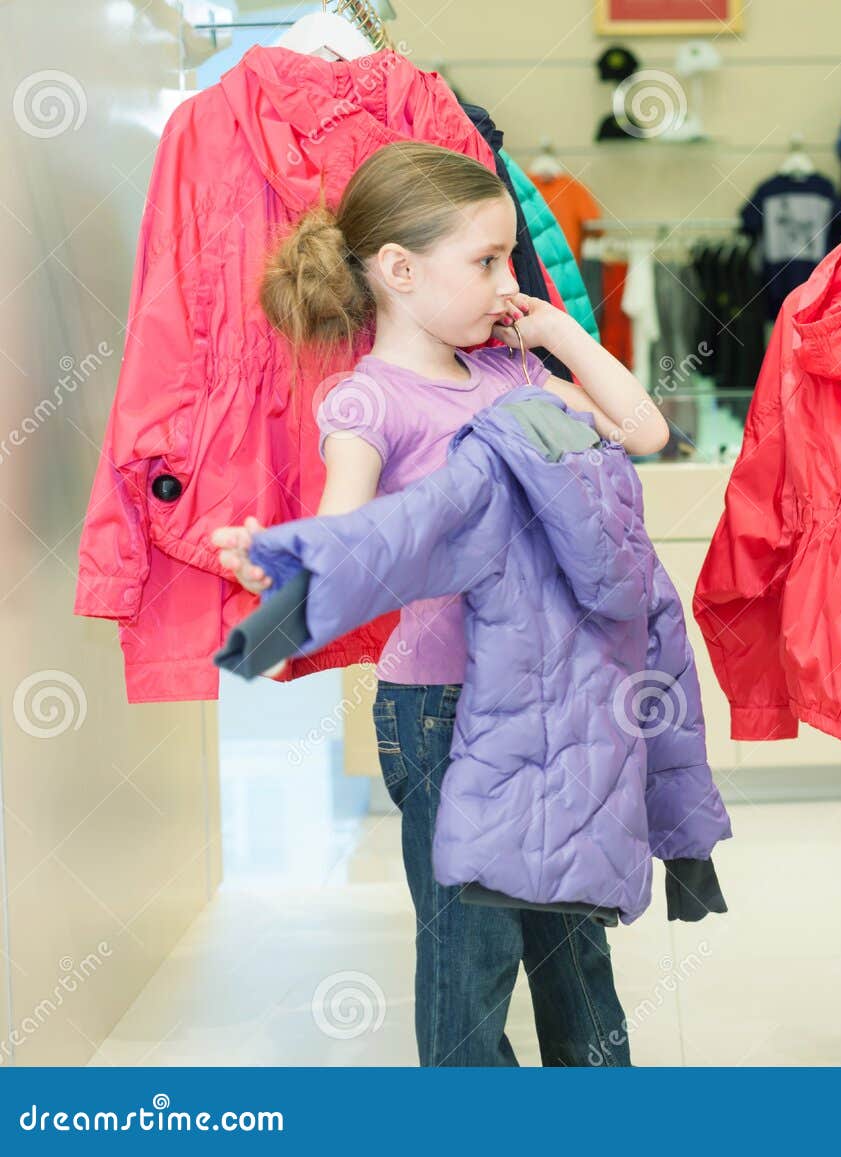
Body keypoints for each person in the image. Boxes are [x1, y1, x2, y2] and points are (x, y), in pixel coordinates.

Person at [213, 140, 670, 1066]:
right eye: (488, 261)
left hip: (551, 704)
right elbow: (347, 537)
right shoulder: (369, 403)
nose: (510, 282)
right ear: (400, 270)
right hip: (443, 710)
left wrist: (558, 335)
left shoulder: (514, 374)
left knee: (573, 946)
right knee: (472, 955)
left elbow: (644, 429)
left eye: (509, 258)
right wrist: (283, 568)